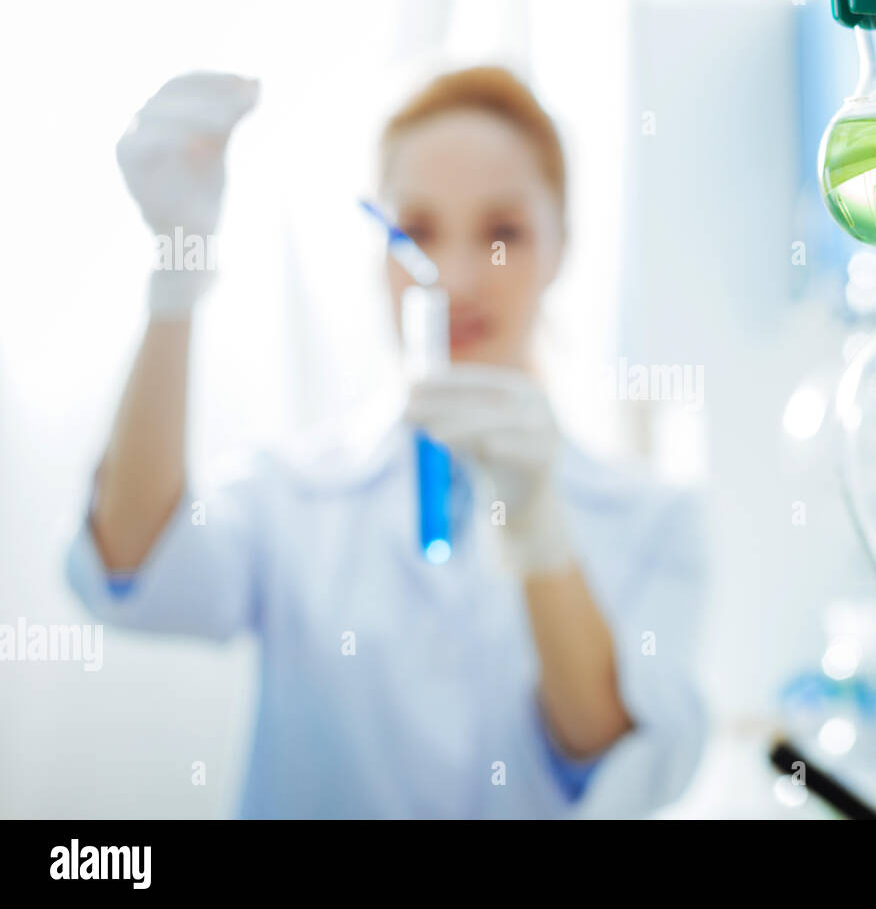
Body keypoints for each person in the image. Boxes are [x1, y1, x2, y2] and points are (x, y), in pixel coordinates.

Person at [67, 67, 707, 818]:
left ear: (561, 247)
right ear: (378, 253)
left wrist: (542, 538)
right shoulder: (294, 493)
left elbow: (611, 757)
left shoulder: (654, 519)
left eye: (503, 233)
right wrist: (175, 274)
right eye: (418, 232)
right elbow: (137, 564)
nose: (458, 277)